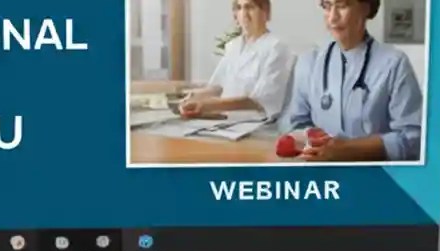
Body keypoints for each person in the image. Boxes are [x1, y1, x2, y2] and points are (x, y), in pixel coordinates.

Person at [282, 0, 424, 162]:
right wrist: (311, 143)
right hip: (321, 173)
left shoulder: (394, 63)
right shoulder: (309, 62)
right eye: (327, 6)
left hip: (376, 173)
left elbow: (412, 139)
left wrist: (348, 150)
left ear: (366, 8)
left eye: (342, 6)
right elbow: (294, 125)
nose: (332, 17)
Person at [178, 0, 296, 121]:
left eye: (250, 7)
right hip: (226, 121)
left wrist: (209, 105)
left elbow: (260, 102)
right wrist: (194, 97)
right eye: (239, 8)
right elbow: (218, 87)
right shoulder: (233, 46)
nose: (244, 14)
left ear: (266, 13)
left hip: (258, 125)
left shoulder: (277, 49)